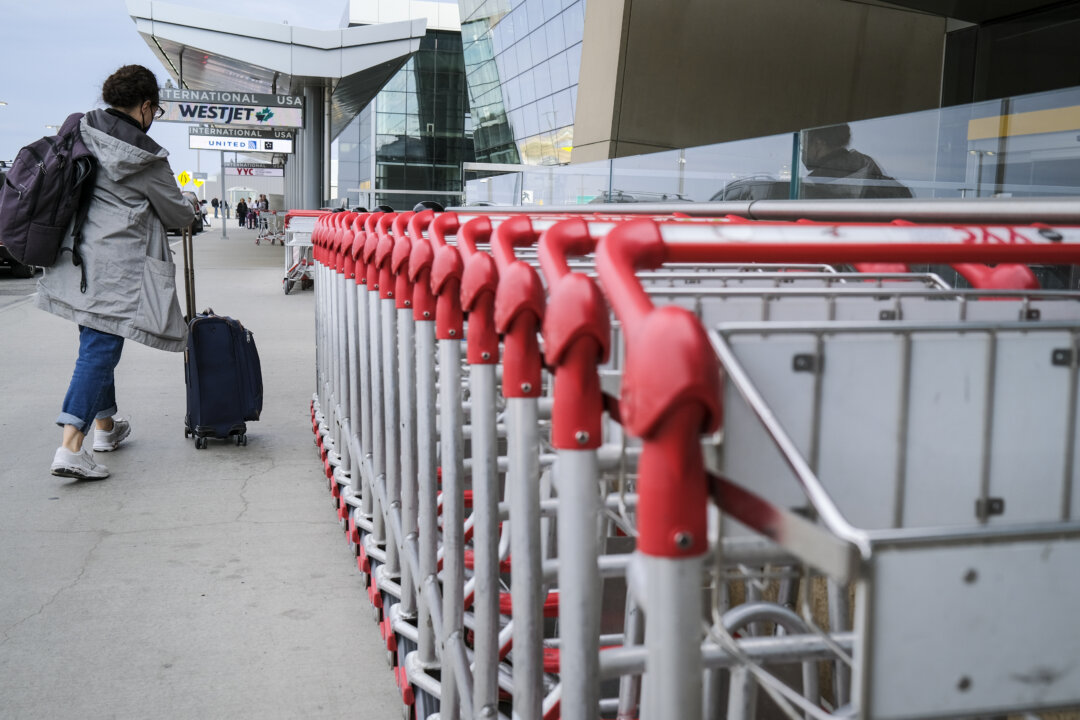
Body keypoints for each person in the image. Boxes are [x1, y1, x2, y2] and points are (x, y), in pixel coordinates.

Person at [36, 64, 195, 480]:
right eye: (154, 111)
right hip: (118, 267)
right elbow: (177, 213)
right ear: (145, 107)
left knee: (95, 336)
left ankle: (106, 428)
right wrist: (190, 207)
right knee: (100, 349)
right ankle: (71, 446)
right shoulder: (145, 158)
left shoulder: (80, 131)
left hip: (75, 256)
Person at [800, 123, 913, 199]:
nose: (802, 150)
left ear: (818, 142)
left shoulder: (811, 188)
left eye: (803, 144)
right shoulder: (888, 186)